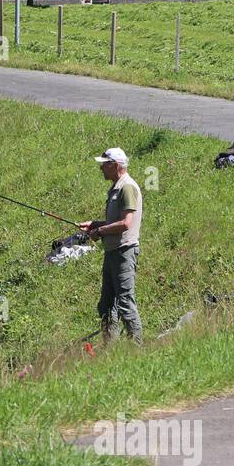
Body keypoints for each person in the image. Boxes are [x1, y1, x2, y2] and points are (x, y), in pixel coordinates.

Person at [77, 147, 143, 344]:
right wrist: (95, 224)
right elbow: (115, 220)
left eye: (104, 164)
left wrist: (100, 232)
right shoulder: (116, 187)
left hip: (124, 252)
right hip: (112, 251)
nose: (101, 168)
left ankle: (137, 348)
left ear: (115, 165)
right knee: (106, 304)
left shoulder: (127, 187)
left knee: (125, 303)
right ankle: (109, 347)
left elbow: (125, 223)